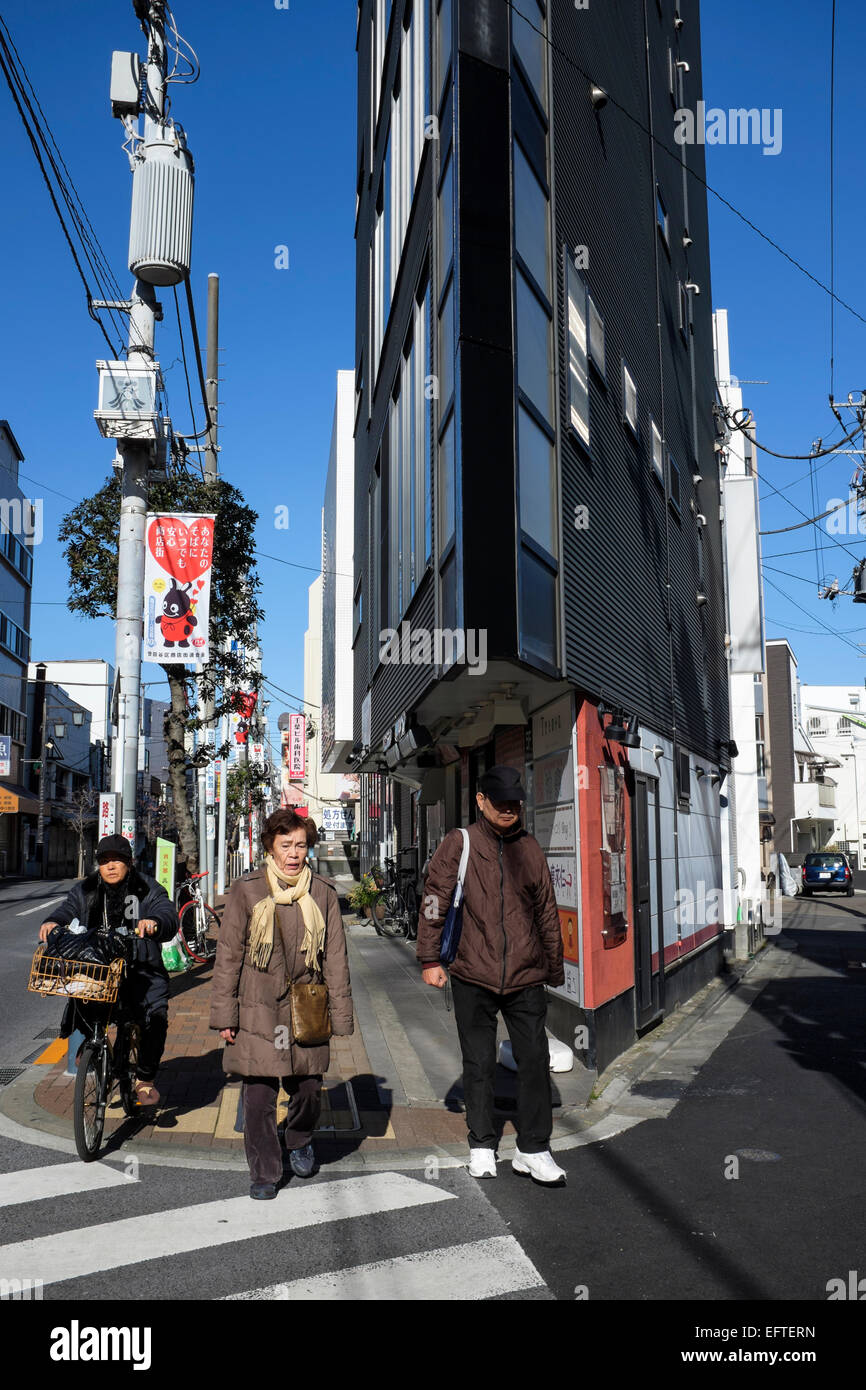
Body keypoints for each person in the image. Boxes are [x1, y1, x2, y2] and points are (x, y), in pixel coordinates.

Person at [418, 765, 567, 1185]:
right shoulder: (459, 844)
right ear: (481, 801)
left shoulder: (531, 849)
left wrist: (551, 968)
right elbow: (434, 901)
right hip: (472, 972)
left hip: (525, 975)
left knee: (535, 1060)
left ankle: (533, 1149)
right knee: (479, 1062)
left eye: (514, 803)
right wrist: (430, 959)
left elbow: (546, 914)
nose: (508, 809)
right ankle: (482, 1145)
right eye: (499, 802)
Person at [209, 809, 353, 1199]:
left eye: (300, 845)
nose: (293, 853)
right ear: (270, 846)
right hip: (257, 1007)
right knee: (258, 1097)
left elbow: (335, 958)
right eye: (286, 844)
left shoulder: (321, 892)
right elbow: (228, 956)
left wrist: (340, 1016)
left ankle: (299, 1137)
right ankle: (264, 1172)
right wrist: (226, 1014)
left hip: (306, 1007)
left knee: (308, 1088)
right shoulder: (248, 890)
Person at [38, 834, 178, 1107]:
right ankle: (90, 1042)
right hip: (101, 970)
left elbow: (166, 913)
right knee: (79, 993)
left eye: (117, 860)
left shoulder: (146, 888)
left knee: (156, 1016)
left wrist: (155, 922)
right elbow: (68, 909)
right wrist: (53, 921)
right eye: (104, 861)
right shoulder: (86, 889)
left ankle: (145, 1079)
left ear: (129, 862)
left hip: (142, 969)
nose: (110, 866)